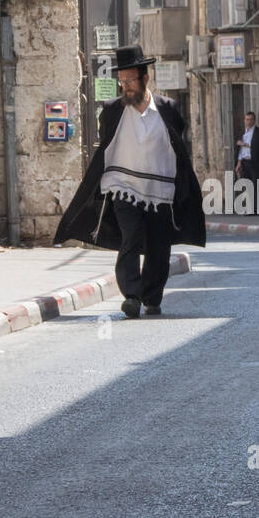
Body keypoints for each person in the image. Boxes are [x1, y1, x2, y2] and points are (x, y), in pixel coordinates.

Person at [54, 44, 205, 318]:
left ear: (145, 78)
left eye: (130, 81)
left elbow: (178, 146)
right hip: (123, 188)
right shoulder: (112, 111)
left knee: (159, 246)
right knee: (131, 237)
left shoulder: (168, 109)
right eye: (121, 82)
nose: (126, 87)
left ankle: (152, 297)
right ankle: (132, 296)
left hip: (160, 191)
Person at [235, 111, 259, 189]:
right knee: (247, 187)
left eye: (251, 119)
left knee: (256, 187)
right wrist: (239, 163)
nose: (249, 121)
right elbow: (240, 150)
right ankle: (250, 201)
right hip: (244, 163)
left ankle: (257, 201)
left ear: (254, 120)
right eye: (247, 119)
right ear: (244, 120)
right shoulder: (242, 133)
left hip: (255, 164)